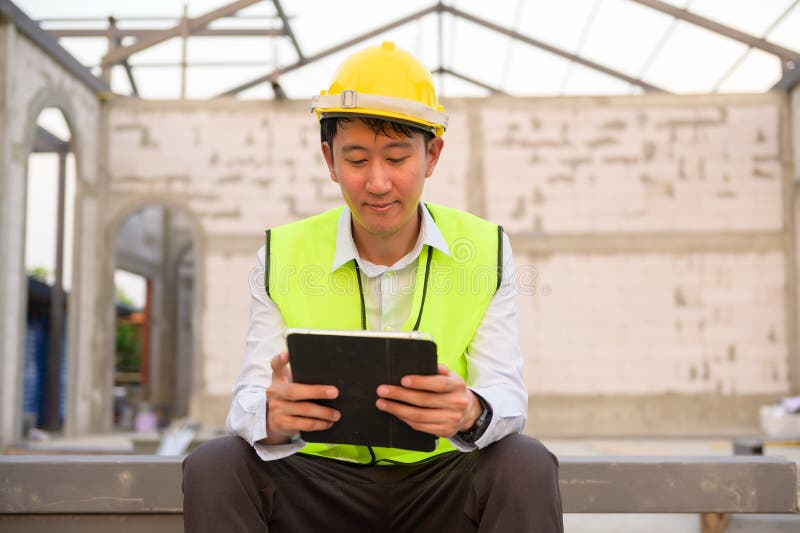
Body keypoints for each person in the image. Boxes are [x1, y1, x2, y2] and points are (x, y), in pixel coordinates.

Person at [182, 41, 563, 532]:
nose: (378, 183)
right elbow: (247, 403)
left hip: (437, 486)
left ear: (432, 156)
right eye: (357, 160)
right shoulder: (282, 255)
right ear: (330, 159)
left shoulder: (485, 249)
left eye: (397, 157)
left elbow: (506, 393)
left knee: (525, 463)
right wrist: (274, 416)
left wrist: (471, 410)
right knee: (215, 464)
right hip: (319, 491)